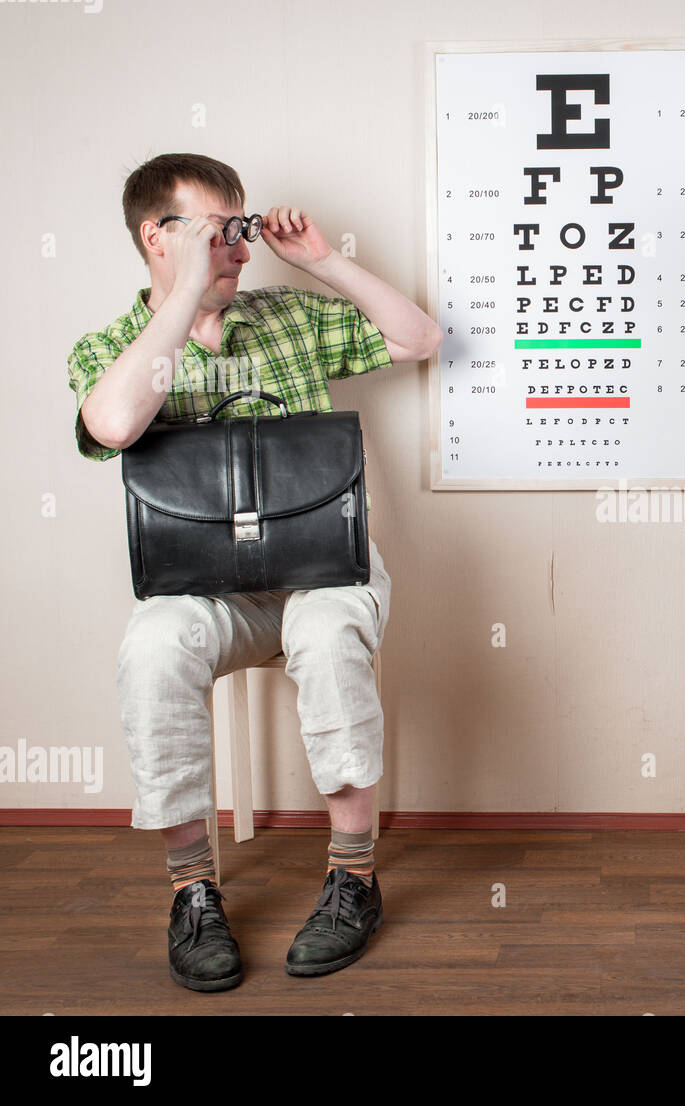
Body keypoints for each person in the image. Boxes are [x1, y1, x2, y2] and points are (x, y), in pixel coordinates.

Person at [66, 153, 441, 991]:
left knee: (329, 628)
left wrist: (323, 261)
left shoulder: (290, 318)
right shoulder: (107, 349)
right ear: (154, 237)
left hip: (321, 569)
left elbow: (420, 339)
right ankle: (191, 892)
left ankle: (354, 877)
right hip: (204, 591)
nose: (239, 249)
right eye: (215, 233)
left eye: (242, 231)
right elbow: (117, 423)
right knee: (153, 647)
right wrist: (181, 301)